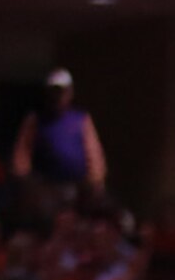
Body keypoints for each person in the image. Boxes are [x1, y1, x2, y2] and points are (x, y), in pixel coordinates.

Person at [10, 68, 106, 197]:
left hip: (79, 188)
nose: (57, 96)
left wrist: (96, 180)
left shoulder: (81, 119)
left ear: (70, 93)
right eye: (54, 91)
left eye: (62, 92)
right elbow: (22, 155)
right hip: (45, 188)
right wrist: (23, 180)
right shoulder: (35, 120)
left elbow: (93, 153)